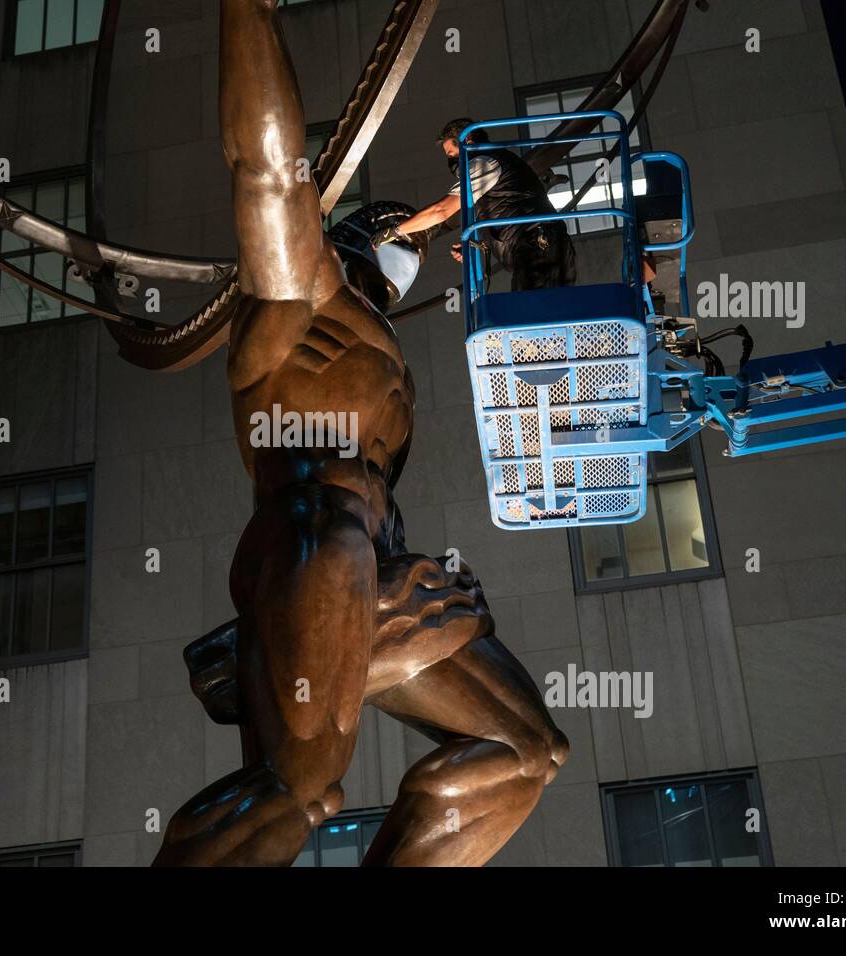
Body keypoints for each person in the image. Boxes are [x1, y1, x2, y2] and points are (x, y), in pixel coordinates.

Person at [153, 1, 567, 867]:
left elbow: (535, 299)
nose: (410, 258)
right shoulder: (298, 301)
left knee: (526, 752)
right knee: (299, 794)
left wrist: (507, 208)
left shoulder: (379, 348)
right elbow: (267, 170)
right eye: (397, 243)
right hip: (317, 549)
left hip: (380, 569)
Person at [373, 117, 577, 291]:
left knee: (534, 320)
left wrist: (395, 231)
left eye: (452, 154)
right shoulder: (496, 164)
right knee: (535, 320)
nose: (452, 162)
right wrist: (483, 243)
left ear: (467, 140)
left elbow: (441, 211)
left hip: (539, 248)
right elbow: (508, 209)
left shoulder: (484, 162)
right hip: (538, 247)